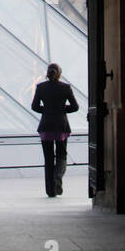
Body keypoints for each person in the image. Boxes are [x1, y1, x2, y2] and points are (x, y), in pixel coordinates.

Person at [31, 62, 79, 197]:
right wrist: (62, 110)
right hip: (61, 126)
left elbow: (34, 106)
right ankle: (57, 177)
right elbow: (75, 107)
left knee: (48, 158)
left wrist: (46, 110)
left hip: (46, 125)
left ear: (48, 73)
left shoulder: (40, 87)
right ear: (60, 74)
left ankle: (50, 190)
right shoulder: (65, 88)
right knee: (61, 155)